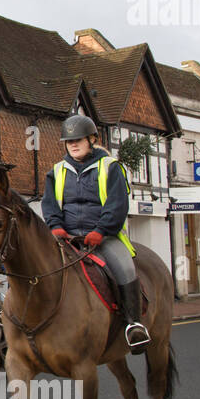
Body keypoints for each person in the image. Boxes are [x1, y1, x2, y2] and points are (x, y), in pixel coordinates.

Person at [41, 114, 151, 354]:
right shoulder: (57, 171)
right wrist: (55, 226)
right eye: (69, 141)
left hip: (103, 238)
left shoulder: (110, 167)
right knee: (37, 262)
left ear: (92, 139)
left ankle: (134, 324)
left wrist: (101, 231)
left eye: (78, 139)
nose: (73, 144)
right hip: (66, 237)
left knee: (125, 268)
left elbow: (117, 205)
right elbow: (49, 204)